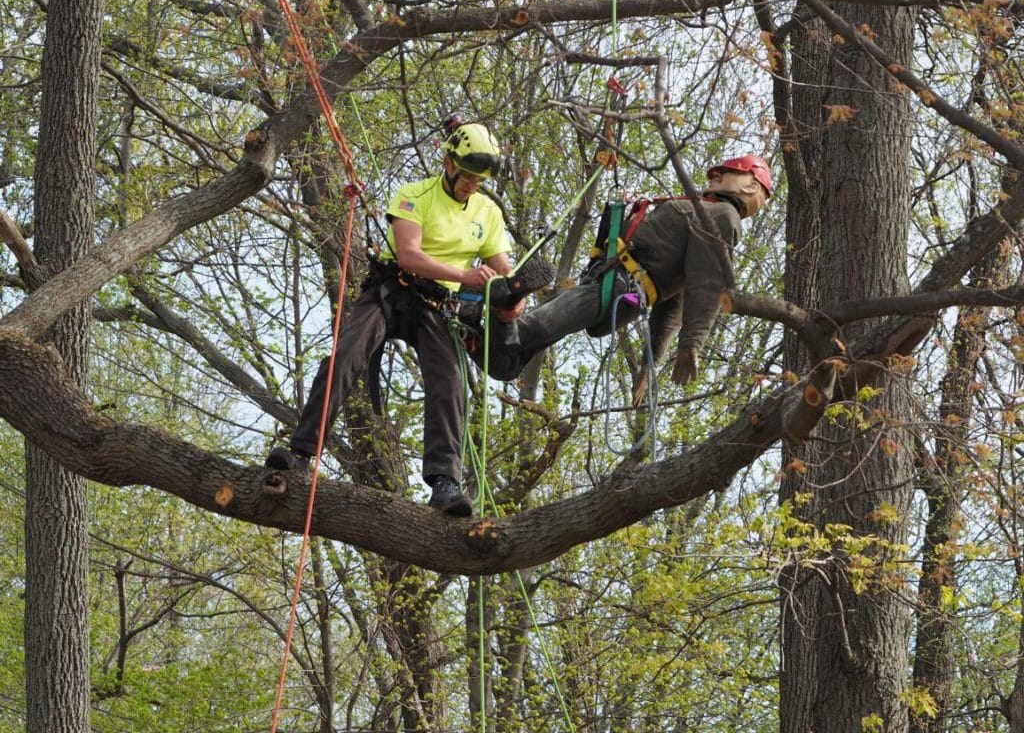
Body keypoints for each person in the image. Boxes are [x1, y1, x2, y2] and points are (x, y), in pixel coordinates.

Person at [266, 121, 528, 516]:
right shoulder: (414, 195)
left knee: (450, 381)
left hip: (435, 306)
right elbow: (408, 253)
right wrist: (464, 276)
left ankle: (444, 482)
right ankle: (302, 452)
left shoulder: (488, 213)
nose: (472, 184)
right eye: (468, 176)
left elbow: (503, 270)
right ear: (449, 163)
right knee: (346, 355)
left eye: (480, 179)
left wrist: (513, 295)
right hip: (392, 291)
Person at [473, 154, 772, 403]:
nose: (714, 175)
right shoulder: (703, 210)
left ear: (749, 185)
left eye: (724, 173)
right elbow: (675, 300)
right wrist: (650, 363)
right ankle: (486, 324)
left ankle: (496, 308)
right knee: (506, 364)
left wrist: (688, 345)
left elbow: (704, 285)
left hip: (618, 288)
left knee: (534, 327)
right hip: (608, 281)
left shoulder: (722, 216)